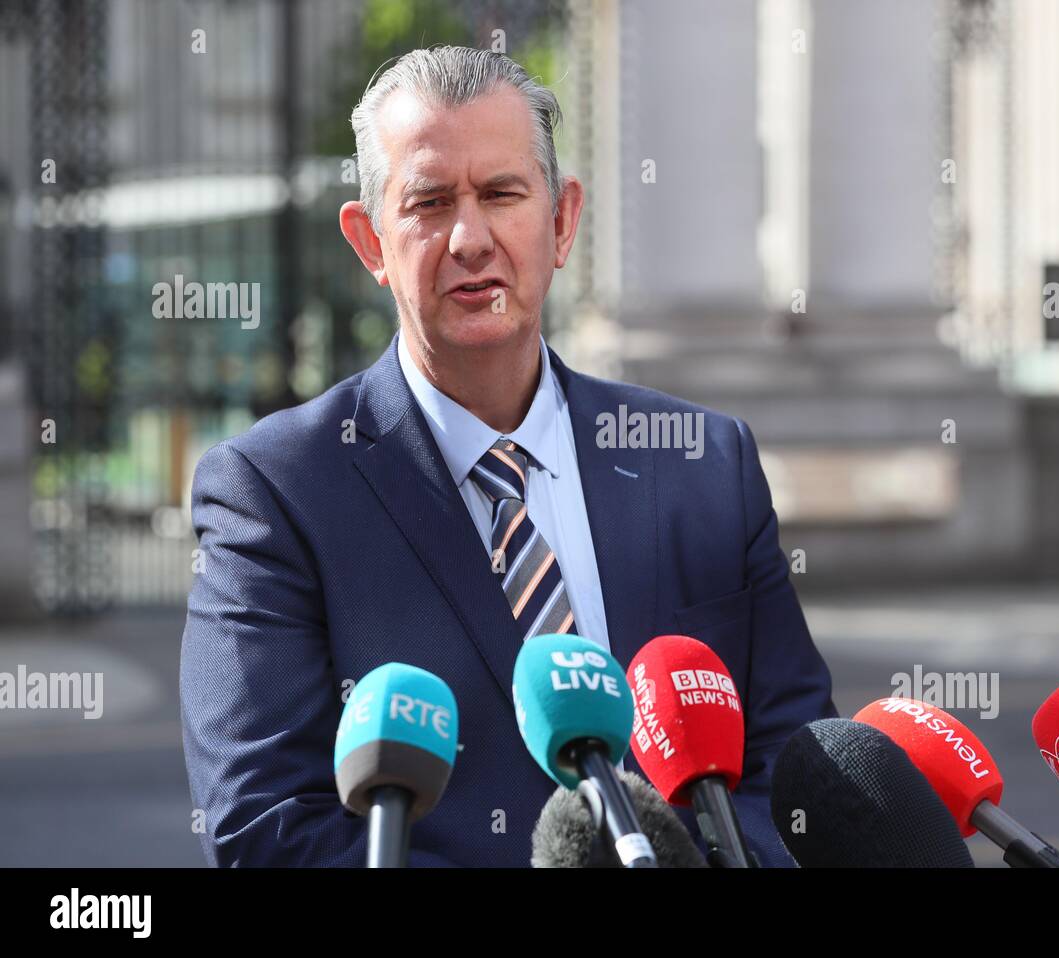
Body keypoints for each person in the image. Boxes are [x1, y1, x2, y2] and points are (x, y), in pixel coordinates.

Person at [180, 45, 835, 867]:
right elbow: (267, 830)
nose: (469, 237)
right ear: (370, 241)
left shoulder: (704, 464)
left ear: (561, 221)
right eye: (427, 202)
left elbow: (798, 778)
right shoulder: (274, 492)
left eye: (501, 194)